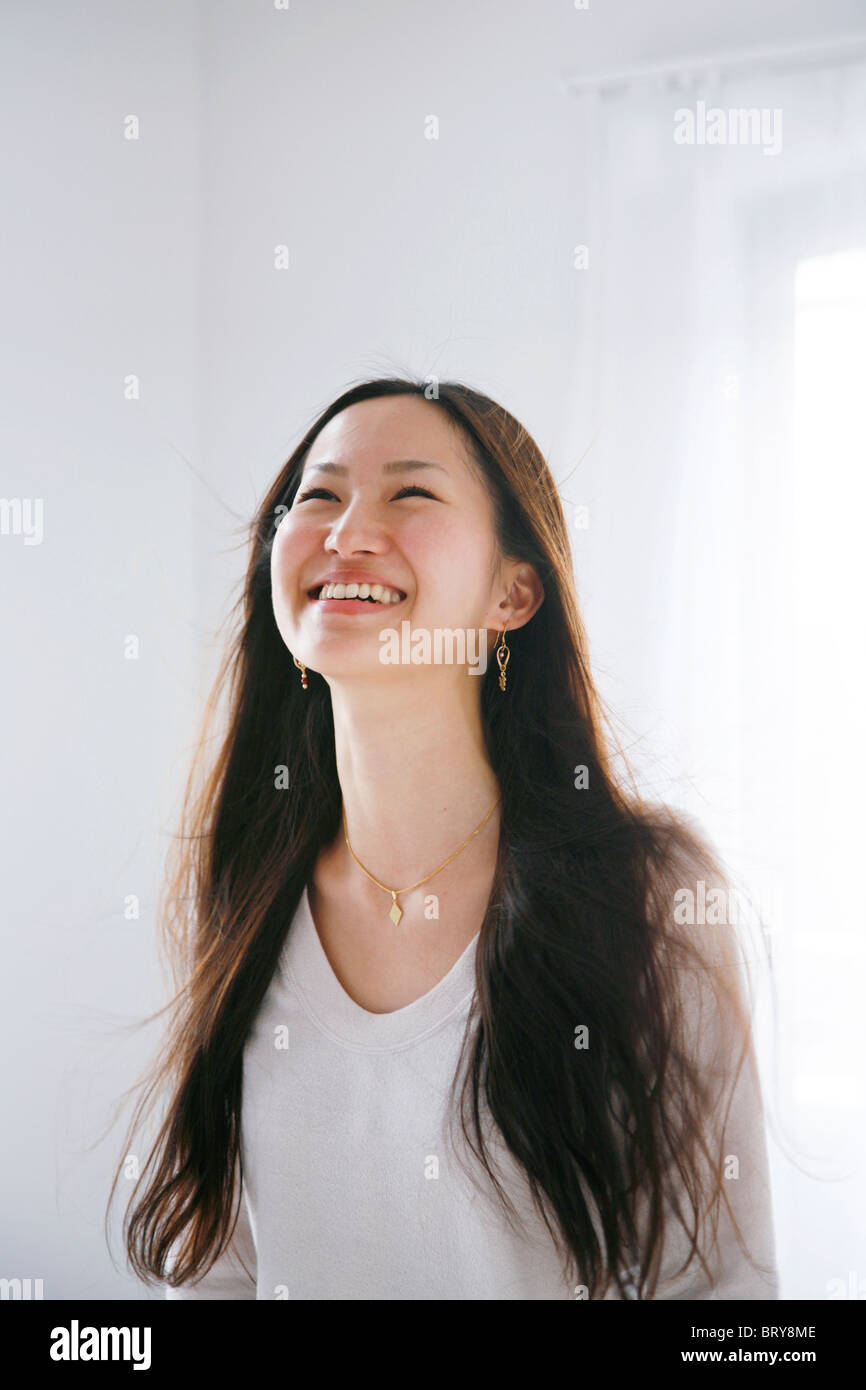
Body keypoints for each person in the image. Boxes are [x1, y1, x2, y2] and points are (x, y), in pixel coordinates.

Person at [111, 377, 778, 1299]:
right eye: (319, 495)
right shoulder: (248, 886)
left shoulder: (648, 892)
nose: (346, 532)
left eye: (410, 493)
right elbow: (222, 1275)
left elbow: (725, 1296)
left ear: (514, 592)